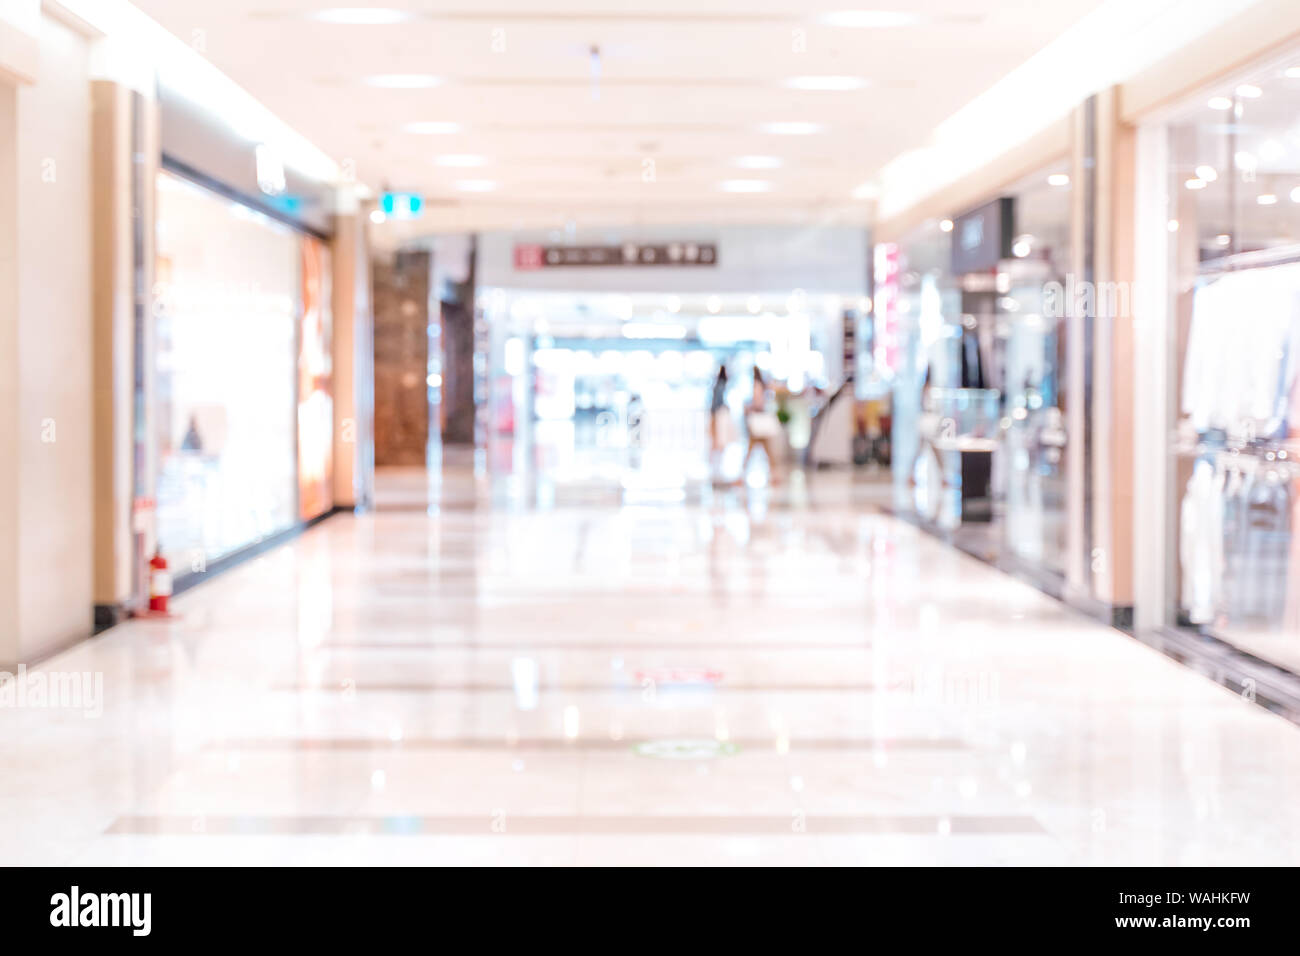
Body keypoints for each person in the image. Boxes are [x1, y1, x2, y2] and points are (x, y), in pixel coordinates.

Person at [744, 367, 782, 484]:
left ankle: (742, 474)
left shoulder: (757, 385)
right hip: (760, 421)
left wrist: (749, 408)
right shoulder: (763, 385)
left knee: (753, 449)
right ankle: (774, 475)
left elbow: (758, 403)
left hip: (757, 421)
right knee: (765, 450)